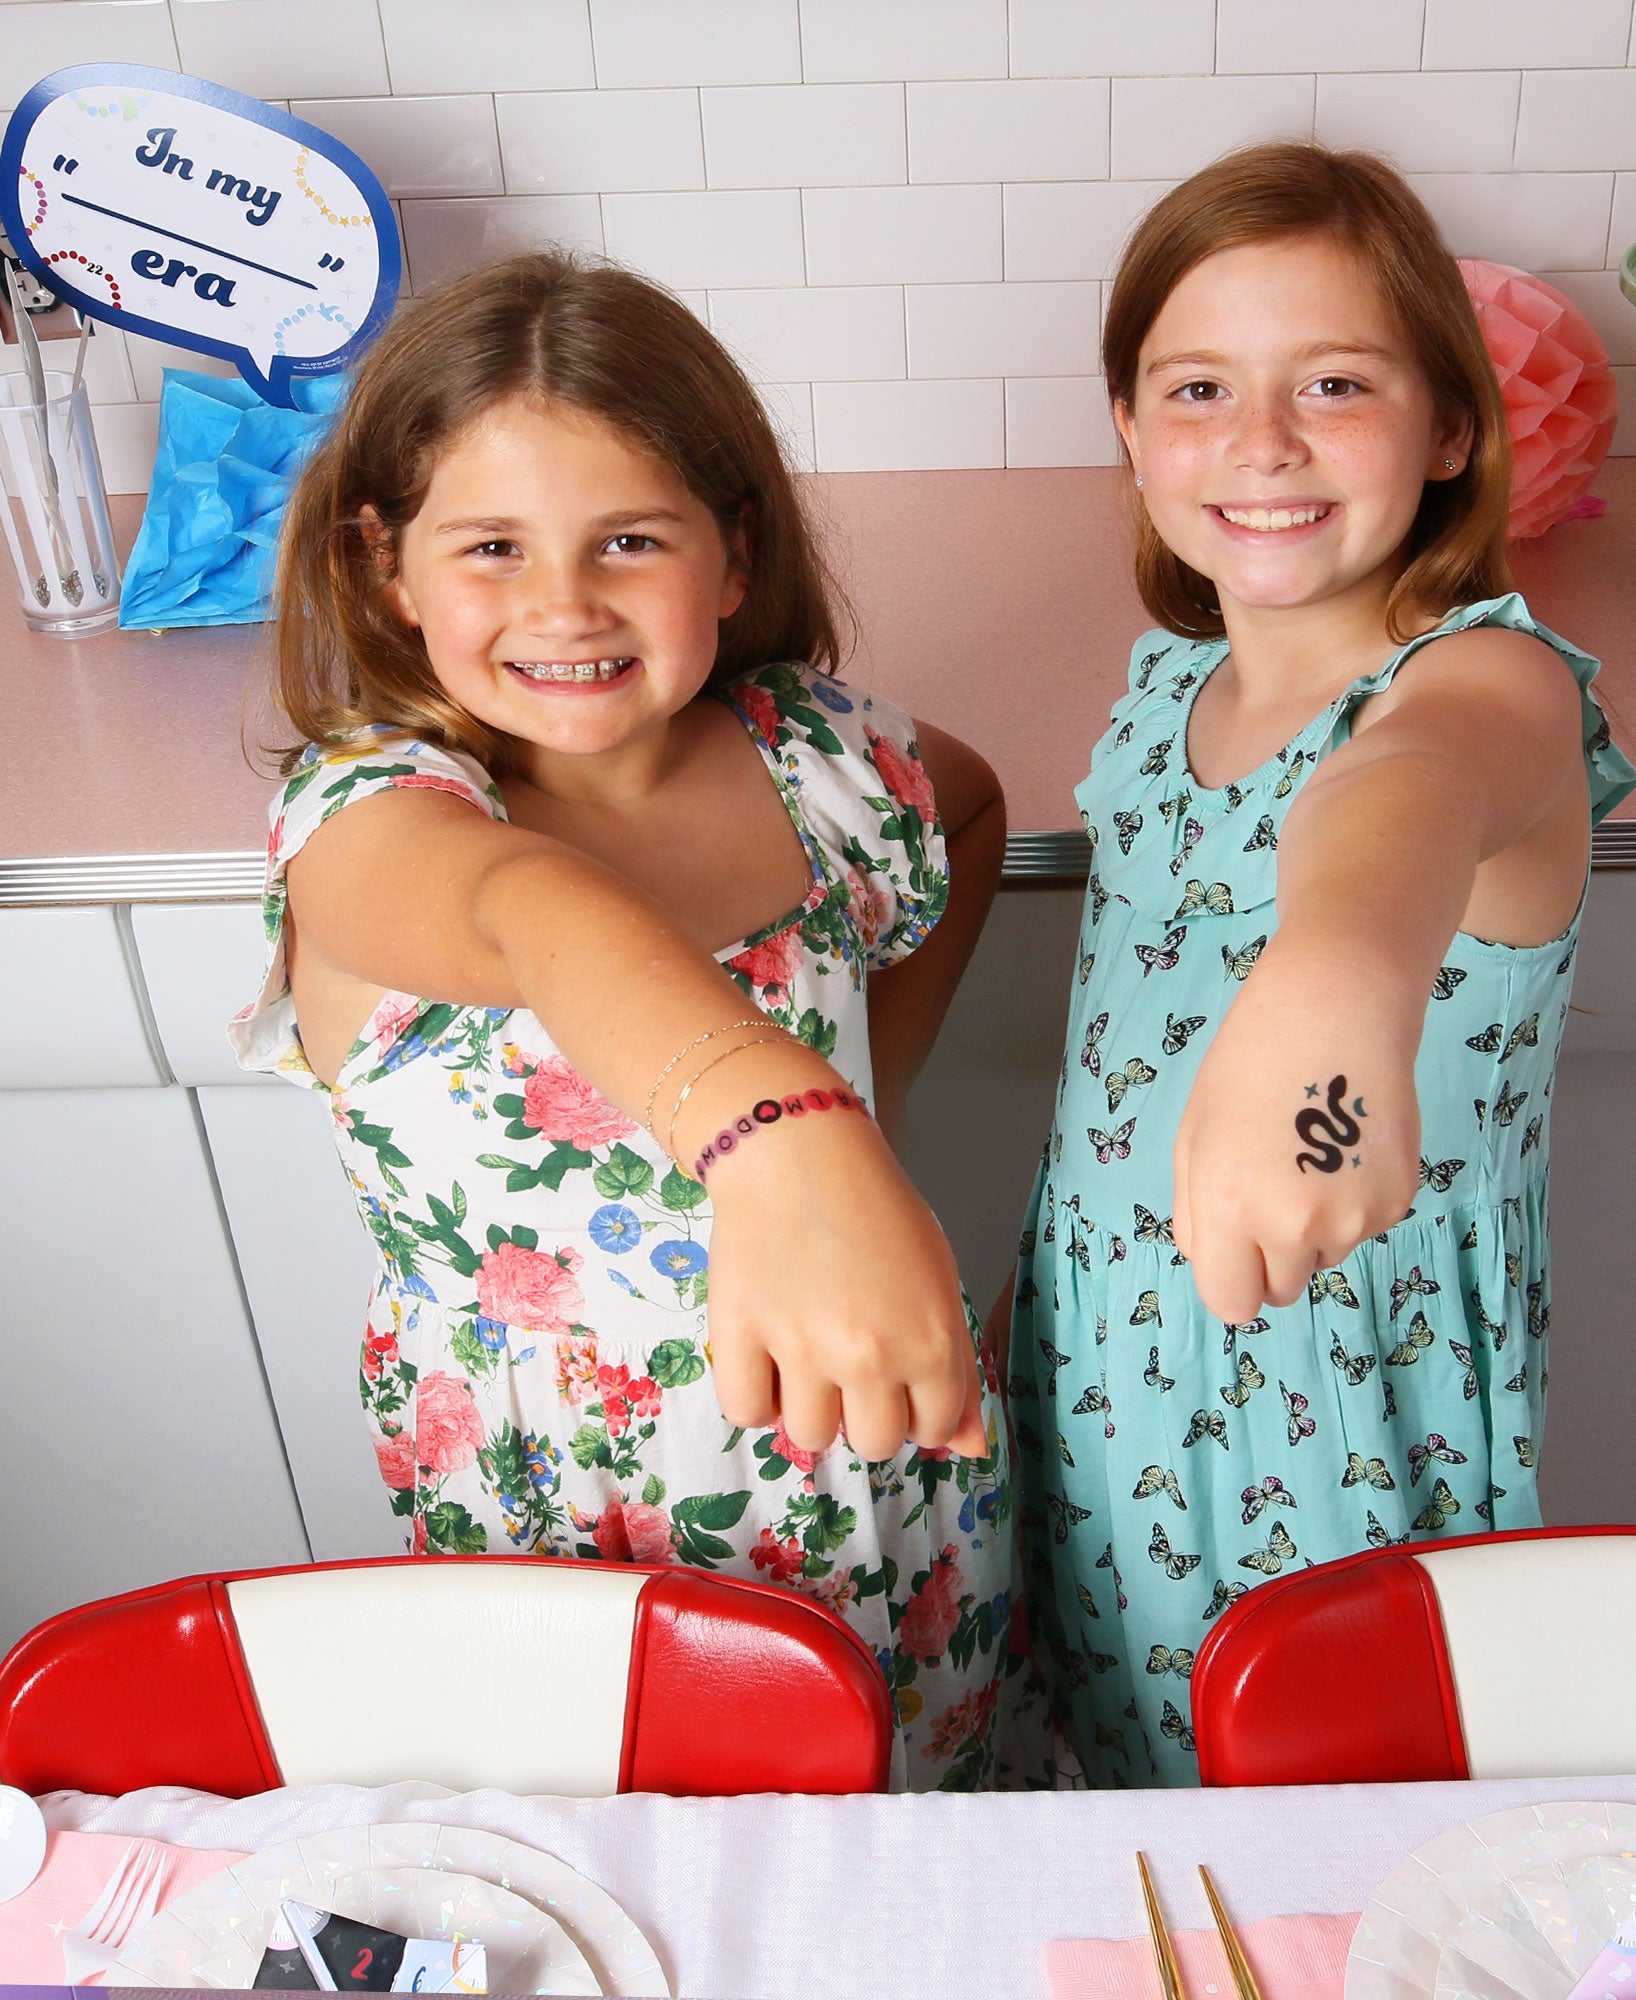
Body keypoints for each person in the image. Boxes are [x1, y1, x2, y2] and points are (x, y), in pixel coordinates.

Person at [230, 251, 1045, 1789]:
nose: (563, 602)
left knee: (908, 1831)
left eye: (628, 539)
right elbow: (535, 912)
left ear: (734, 554)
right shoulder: (366, 819)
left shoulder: (820, 762)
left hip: (870, 1473)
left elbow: (974, 805)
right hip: (560, 1502)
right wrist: (792, 1138)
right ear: (385, 568)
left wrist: (873, 1108)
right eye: (491, 546)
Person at [1007, 143, 1636, 1786]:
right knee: (1137, 1790)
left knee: (1325, 1814)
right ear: (1131, 428)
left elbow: (1402, 801)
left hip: (1344, 1419)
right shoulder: (1166, 694)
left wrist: (1333, 988)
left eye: (1337, 383)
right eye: (1199, 387)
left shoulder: (1493, 687)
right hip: (1112, 1377)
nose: (1263, 440)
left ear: (1452, 429)